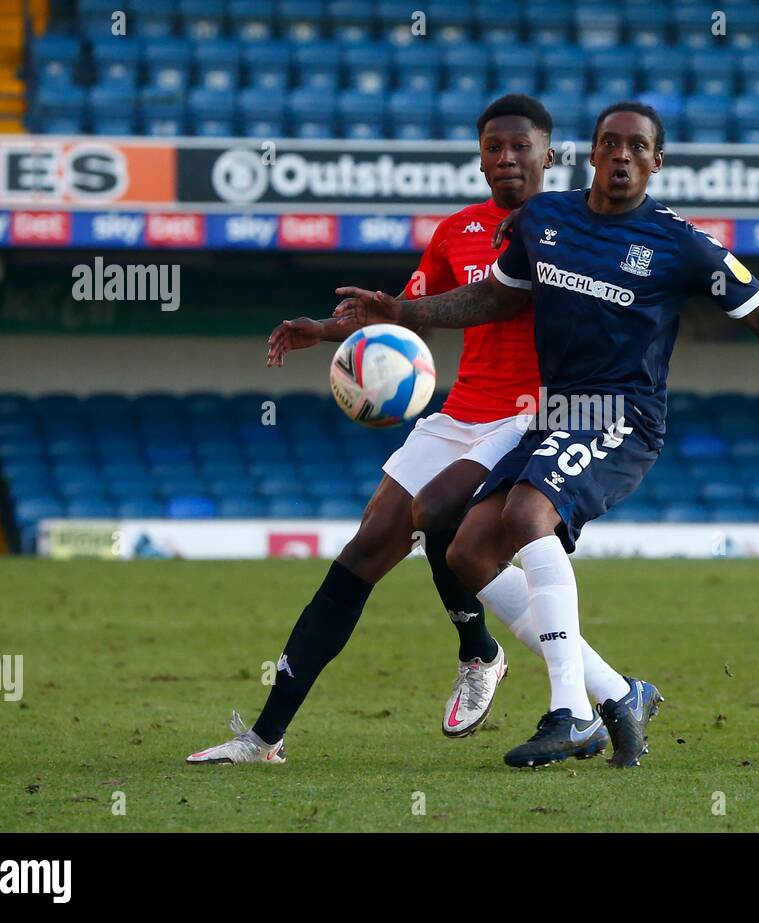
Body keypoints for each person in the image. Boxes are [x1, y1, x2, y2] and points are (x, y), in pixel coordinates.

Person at [331, 101, 759, 769]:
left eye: (637, 146)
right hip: (554, 414)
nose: (623, 155)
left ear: (657, 162)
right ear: (592, 153)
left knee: (525, 513)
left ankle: (570, 712)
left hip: (623, 415)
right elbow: (494, 297)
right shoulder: (546, 221)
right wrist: (402, 310)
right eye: (611, 143)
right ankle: (619, 693)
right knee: (465, 552)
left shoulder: (681, 243)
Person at [188, 94, 572, 764]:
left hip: (528, 418)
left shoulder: (573, 228)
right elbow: (408, 312)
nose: (506, 158)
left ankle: (498, 658)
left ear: (549, 153)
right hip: (458, 412)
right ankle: (263, 738)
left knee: (437, 516)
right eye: (493, 147)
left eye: (520, 145)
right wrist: (330, 328)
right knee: (363, 552)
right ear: (480, 159)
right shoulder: (456, 231)